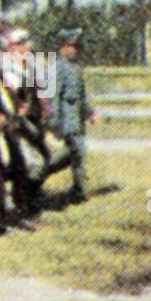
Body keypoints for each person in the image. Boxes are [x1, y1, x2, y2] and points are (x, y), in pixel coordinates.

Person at [52, 28, 96, 202]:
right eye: (70, 46)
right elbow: (54, 96)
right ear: (62, 48)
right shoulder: (58, 68)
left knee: (77, 153)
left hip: (77, 117)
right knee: (73, 153)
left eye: (76, 47)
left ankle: (78, 189)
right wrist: (55, 122)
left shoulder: (76, 68)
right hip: (66, 117)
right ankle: (36, 176)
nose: (74, 50)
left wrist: (91, 113)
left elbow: (82, 96)